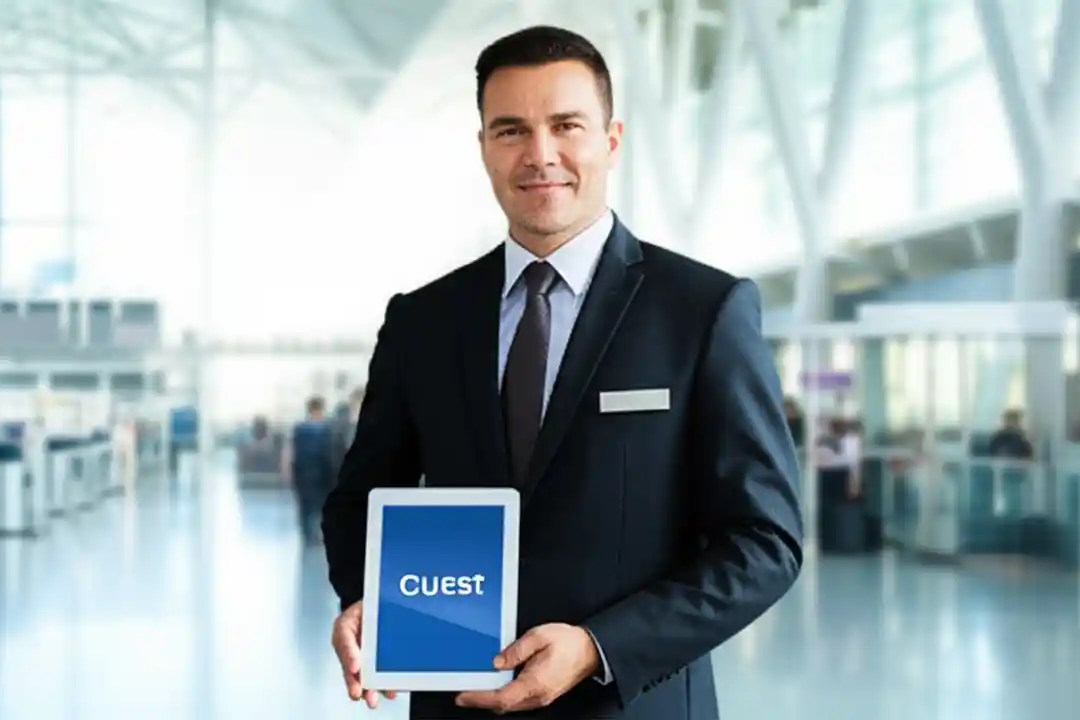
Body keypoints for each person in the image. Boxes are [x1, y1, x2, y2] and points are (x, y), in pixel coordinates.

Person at [322, 25, 802, 720]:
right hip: (457, 700)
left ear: (611, 139)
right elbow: (358, 500)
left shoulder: (702, 312)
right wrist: (367, 597)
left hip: (632, 704)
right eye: (511, 130)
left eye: (566, 125)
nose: (539, 155)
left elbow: (766, 542)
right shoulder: (423, 320)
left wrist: (599, 646)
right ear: (484, 147)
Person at [290, 397, 334, 545]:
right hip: (317, 473)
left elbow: (293, 452)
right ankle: (311, 533)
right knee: (314, 505)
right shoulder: (326, 430)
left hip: (306, 473)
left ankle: (308, 533)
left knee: (307, 505)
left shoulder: (300, 429)